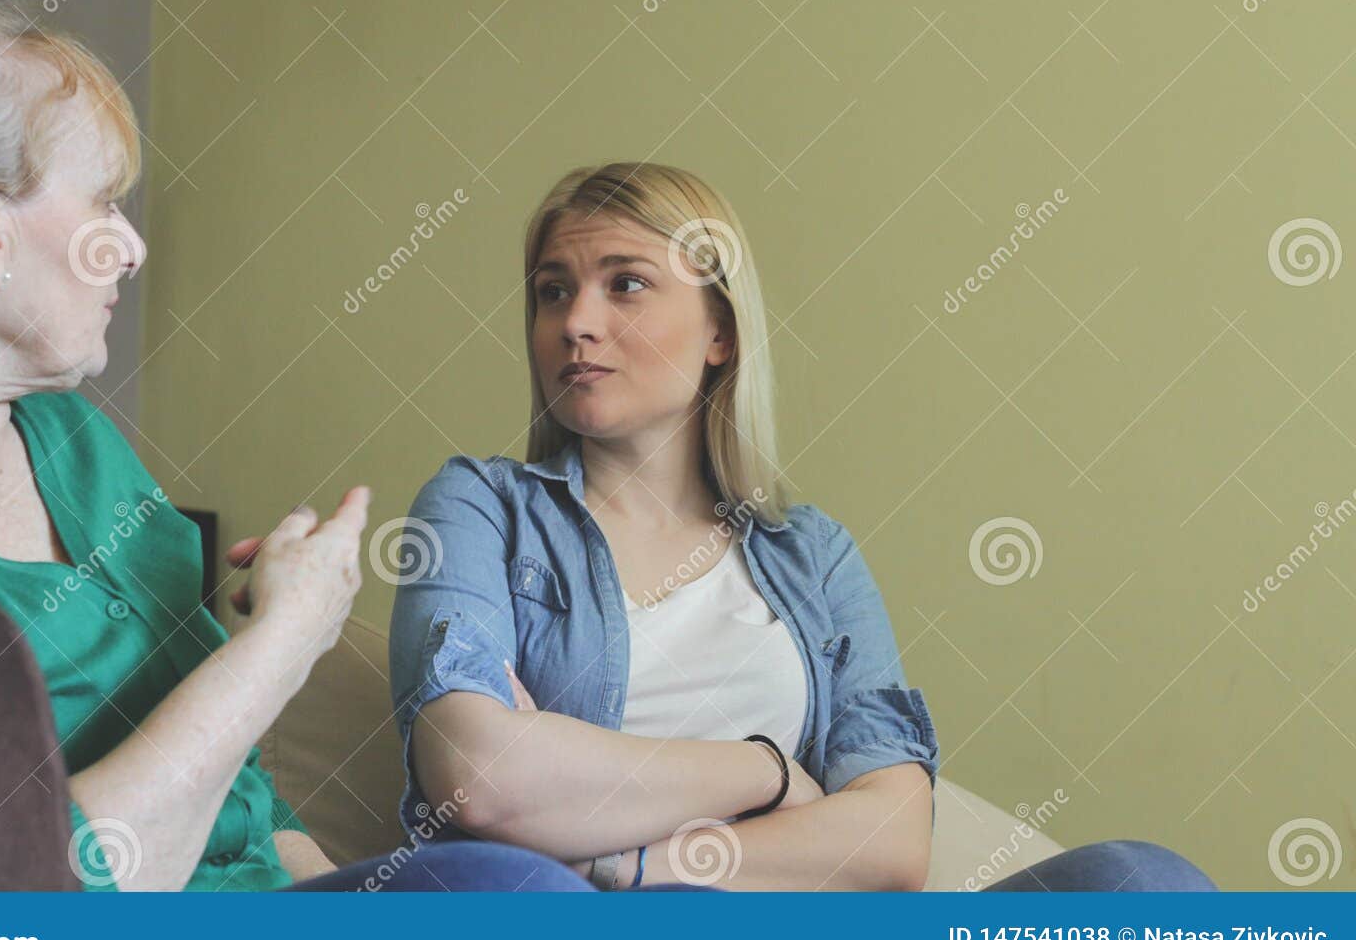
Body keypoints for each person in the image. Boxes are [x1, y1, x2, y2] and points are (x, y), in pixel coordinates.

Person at [0, 3, 591, 893]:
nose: (133, 246)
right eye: (104, 202)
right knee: (515, 890)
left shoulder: (68, 434)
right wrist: (285, 642)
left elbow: (251, 803)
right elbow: (13, 901)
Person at [388, 161, 1218, 891]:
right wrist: (768, 771)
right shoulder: (479, 509)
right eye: (552, 290)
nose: (577, 321)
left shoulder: (813, 554)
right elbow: (479, 779)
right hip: (597, 933)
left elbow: (893, 842)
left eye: (626, 282)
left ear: (720, 330)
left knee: (1145, 882)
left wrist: (622, 861)